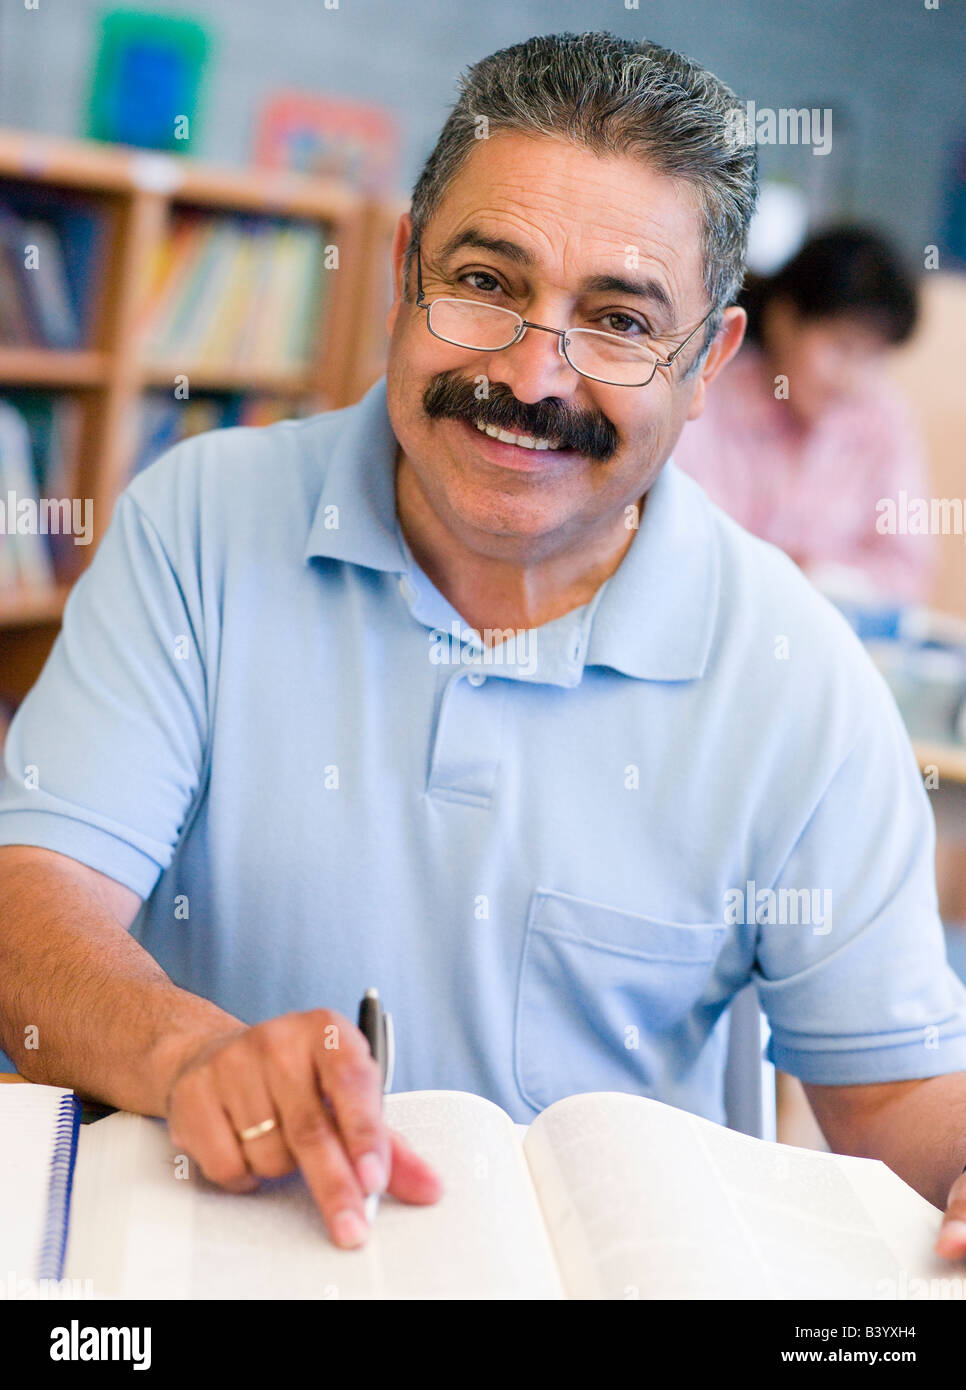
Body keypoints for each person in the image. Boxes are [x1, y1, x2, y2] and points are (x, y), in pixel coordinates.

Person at [2, 32, 966, 1261]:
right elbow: (31, 905)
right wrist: (190, 1051)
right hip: (223, 1255)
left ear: (709, 362)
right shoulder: (195, 522)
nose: (527, 373)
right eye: (486, 283)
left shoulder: (799, 673)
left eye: (618, 321)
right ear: (407, 269)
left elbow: (893, 1090)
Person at [673, 228, 933, 604]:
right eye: (842, 347)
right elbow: (675, 546)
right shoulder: (707, 397)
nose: (853, 379)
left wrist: (814, 572)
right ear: (784, 320)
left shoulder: (881, 416)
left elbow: (909, 569)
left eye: (873, 357)